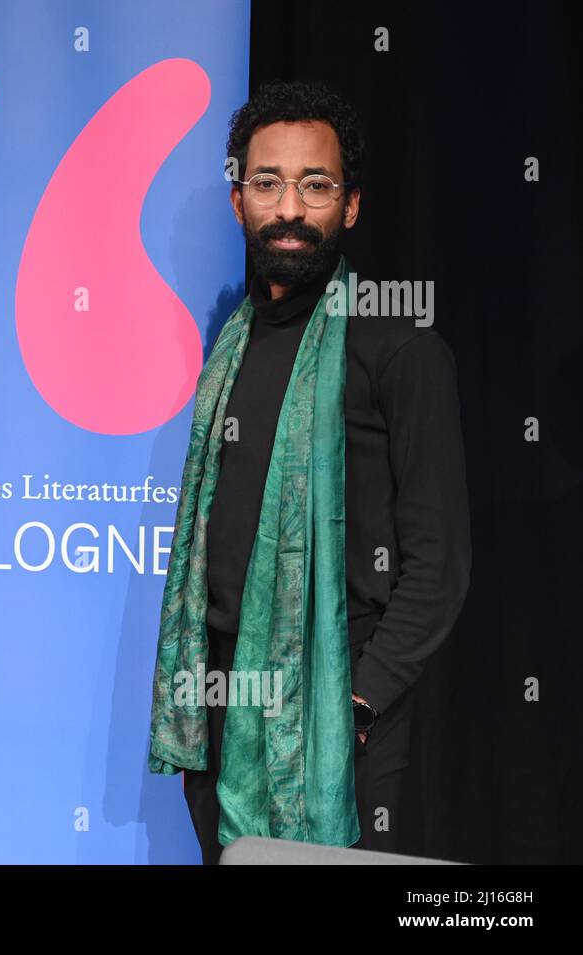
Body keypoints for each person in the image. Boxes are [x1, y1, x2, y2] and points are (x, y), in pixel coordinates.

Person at [148, 80, 470, 863]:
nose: (290, 207)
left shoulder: (397, 345)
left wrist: (357, 699)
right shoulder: (228, 345)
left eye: (315, 185)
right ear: (239, 201)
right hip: (224, 710)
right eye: (268, 183)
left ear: (349, 206)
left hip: (342, 718)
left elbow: (440, 561)